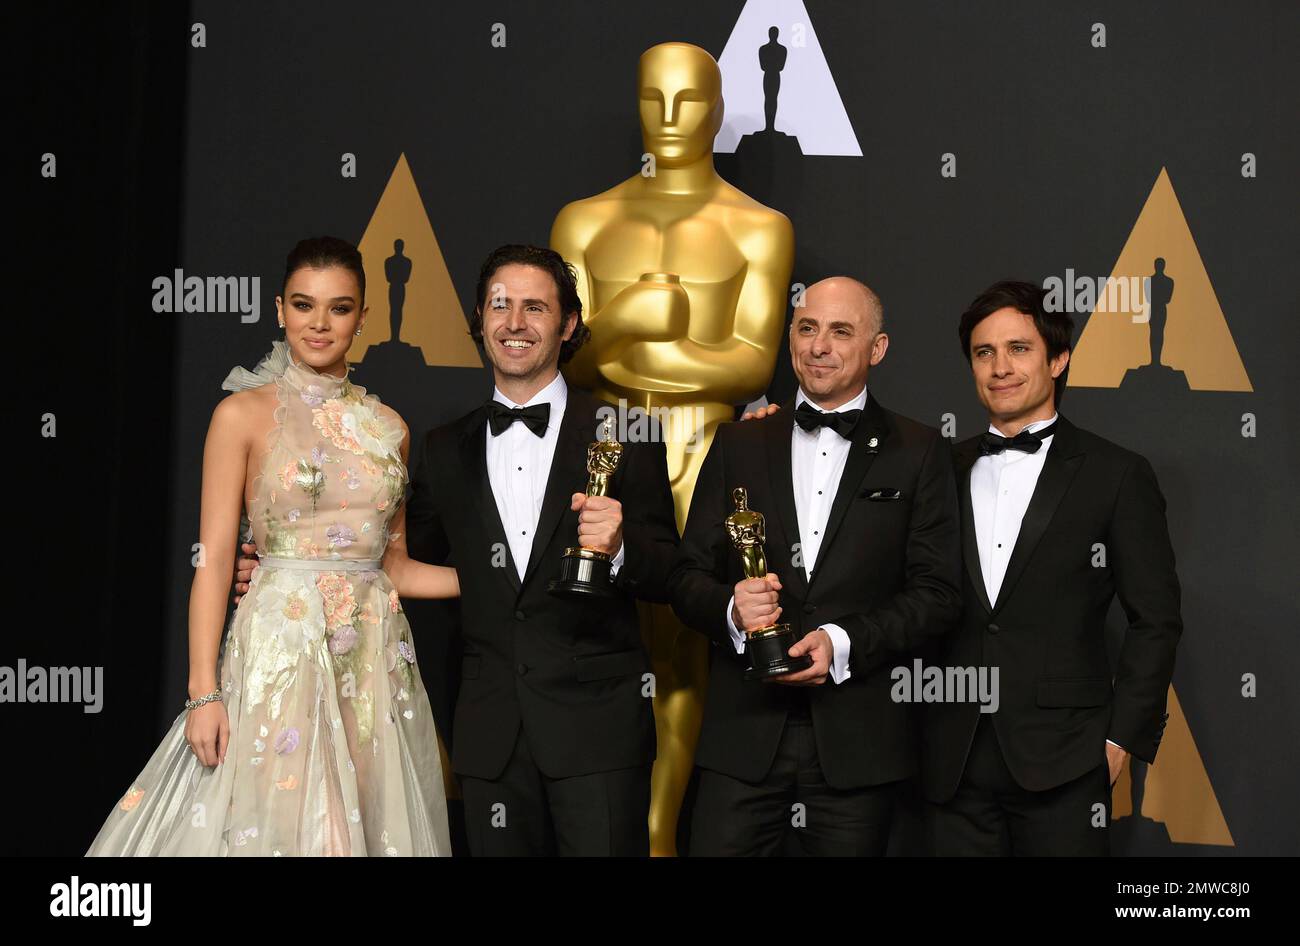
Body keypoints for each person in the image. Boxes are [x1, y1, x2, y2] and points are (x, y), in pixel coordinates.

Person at [237, 244, 680, 856]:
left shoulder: (625, 434)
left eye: (535, 308)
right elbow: (381, 552)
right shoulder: (446, 448)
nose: (515, 323)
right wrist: (282, 565)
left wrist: (623, 546)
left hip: (596, 734)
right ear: (478, 318)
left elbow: (674, 576)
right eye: (500, 305)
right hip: (488, 735)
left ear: (568, 323)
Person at [88, 237, 458, 856]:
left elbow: (392, 566)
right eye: (303, 305)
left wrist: (500, 576)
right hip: (281, 650)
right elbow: (210, 564)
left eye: (339, 308)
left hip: (371, 659)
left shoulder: (391, 428)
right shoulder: (241, 415)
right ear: (278, 309)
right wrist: (203, 690)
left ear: (363, 317)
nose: (319, 323)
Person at [669, 277, 962, 855]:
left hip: (858, 749)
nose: (819, 345)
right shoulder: (738, 444)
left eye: (840, 331)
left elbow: (939, 592)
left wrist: (843, 641)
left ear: (876, 349)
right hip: (742, 743)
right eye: (807, 328)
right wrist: (731, 609)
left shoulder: (921, 450)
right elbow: (685, 578)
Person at [923, 280, 1183, 856]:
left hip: (1067, 762)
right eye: (984, 353)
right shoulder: (935, 467)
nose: (1000, 368)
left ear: (1059, 359)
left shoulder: (1116, 473)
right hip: (948, 761)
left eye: (1019, 349)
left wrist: (1121, 739)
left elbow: (1156, 619)